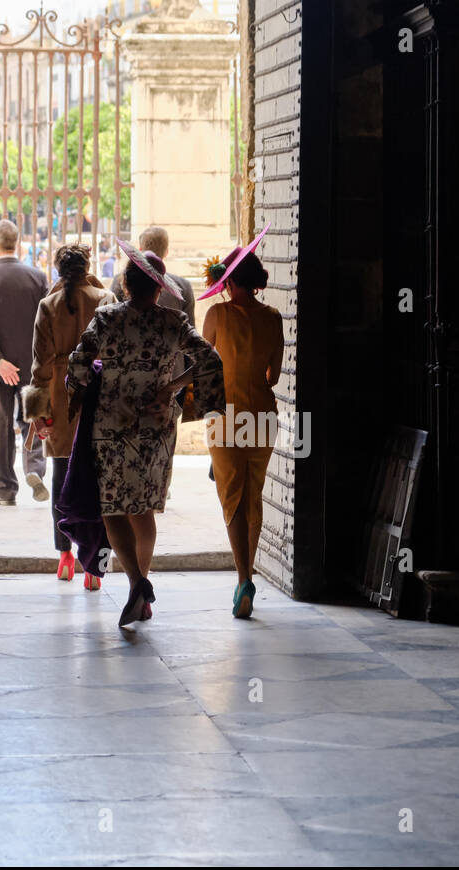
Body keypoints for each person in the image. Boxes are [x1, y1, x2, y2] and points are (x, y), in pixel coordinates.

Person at [66, 242, 224, 628]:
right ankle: (142, 588)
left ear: (124, 283)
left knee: (113, 507)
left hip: (111, 423)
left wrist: (82, 387)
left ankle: (138, 585)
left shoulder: (106, 320)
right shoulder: (173, 322)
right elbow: (210, 361)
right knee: (143, 508)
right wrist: (172, 388)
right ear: (158, 289)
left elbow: (78, 363)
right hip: (155, 428)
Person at [22, 245, 117, 589]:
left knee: (62, 479)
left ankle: (64, 558)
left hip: (61, 400)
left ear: (59, 270)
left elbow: (39, 367)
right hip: (97, 396)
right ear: (88, 266)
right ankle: (96, 567)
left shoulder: (48, 306)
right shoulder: (106, 298)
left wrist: (37, 414)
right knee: (101, 487)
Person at [200, 224, 279, 618]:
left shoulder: (216, 315)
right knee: (254, 494)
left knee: (232, 496)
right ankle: (248, 577)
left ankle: (243, 577)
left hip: (225, 415)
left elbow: (202, 364)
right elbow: (274, 377)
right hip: (262, 416)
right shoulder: (274, 318)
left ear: (229, 284)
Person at [0, 220, 50, 505]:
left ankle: (6, 489)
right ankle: (34, 470)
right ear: (17, 244)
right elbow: (47, 321)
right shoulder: (37, 277)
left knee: (1, 428)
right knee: (33, 420)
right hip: (31, 366)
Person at [110, 226, 196, 327]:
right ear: (166, 252)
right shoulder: (183, 287)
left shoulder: (120, 279)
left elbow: (113, 319)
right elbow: (190, 329)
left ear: (140, 250)